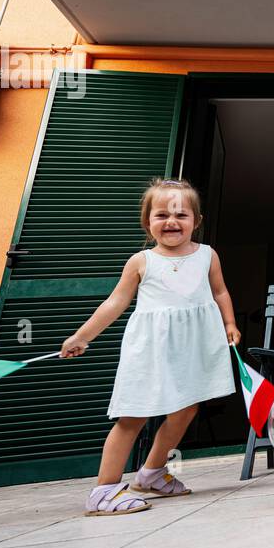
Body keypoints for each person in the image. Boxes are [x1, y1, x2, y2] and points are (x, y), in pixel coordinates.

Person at [61, 178, 239, 514]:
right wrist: (82, 336)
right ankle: (104, 490)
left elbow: (220, 292)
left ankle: (152, 473)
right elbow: (115, 302)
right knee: (134, 414)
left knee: (187, 407)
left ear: (196, 221)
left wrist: (229, 323)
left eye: (181, 215)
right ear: (148, 222)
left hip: (192, 346)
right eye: (161, 215)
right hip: (151, 349)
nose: (171, 221)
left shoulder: (207, 256)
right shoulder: (141, 261)